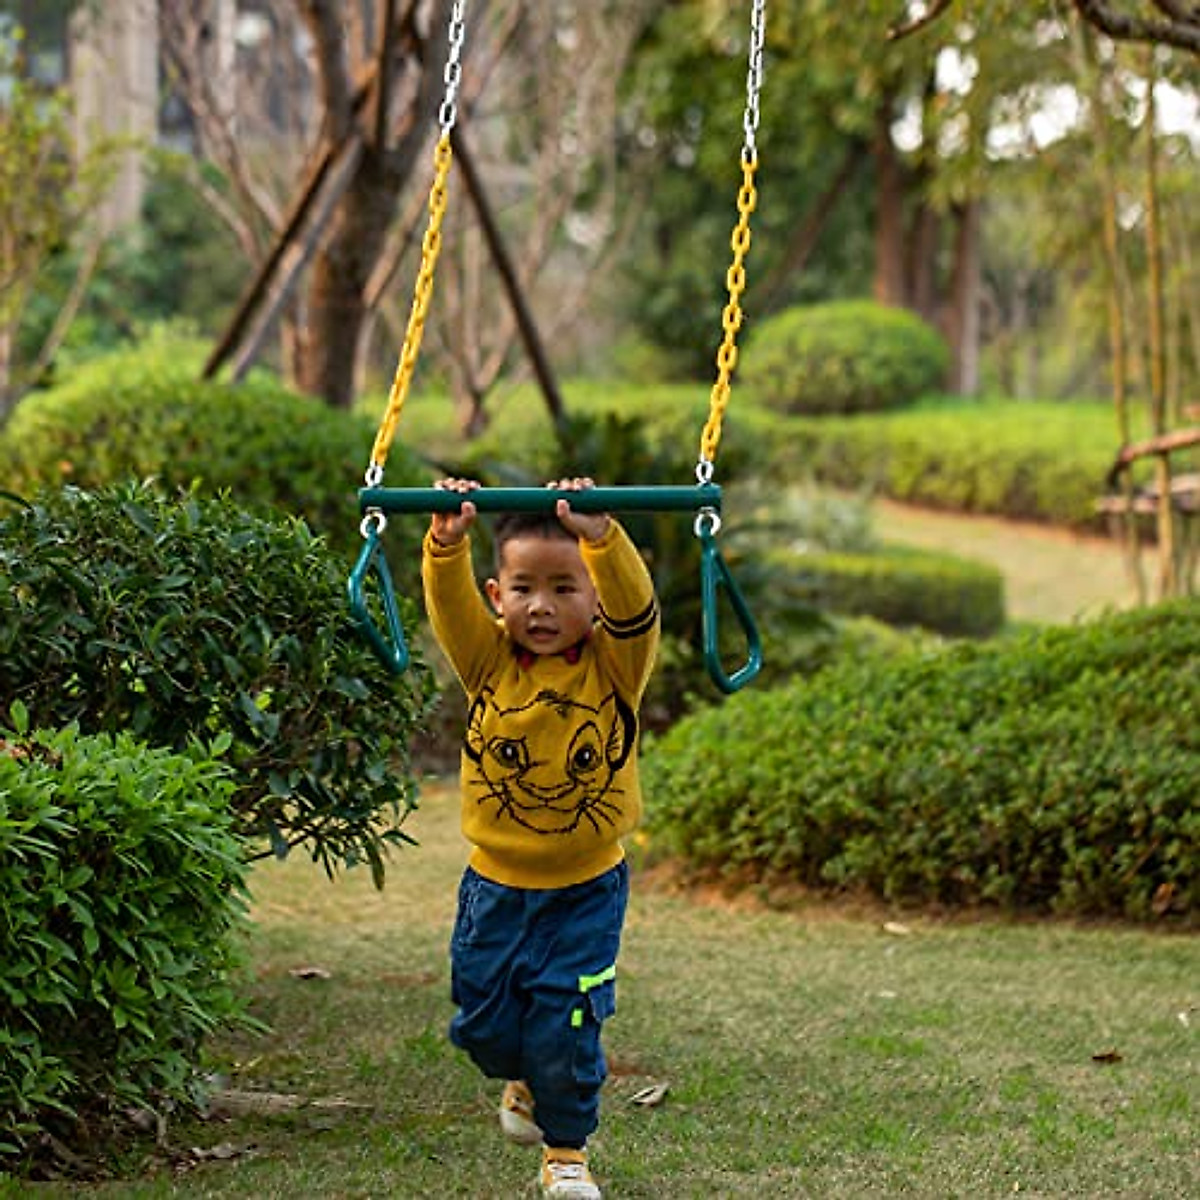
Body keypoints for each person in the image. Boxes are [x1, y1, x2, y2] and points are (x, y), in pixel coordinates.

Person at [422, 477, 660, 1200]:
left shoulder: (614, 669)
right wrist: (446, 544)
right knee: (485, 1029)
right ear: (498, 596)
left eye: (565, 588)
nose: (542, 606)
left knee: (568, 1021)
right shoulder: (487, 661)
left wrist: (603, 538)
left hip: (586, 890)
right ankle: (520, 1077)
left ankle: (567, 1153)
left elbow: (638, 612)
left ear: (596, 599)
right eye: (524, 588)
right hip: (494, 888)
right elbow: (450, 610)